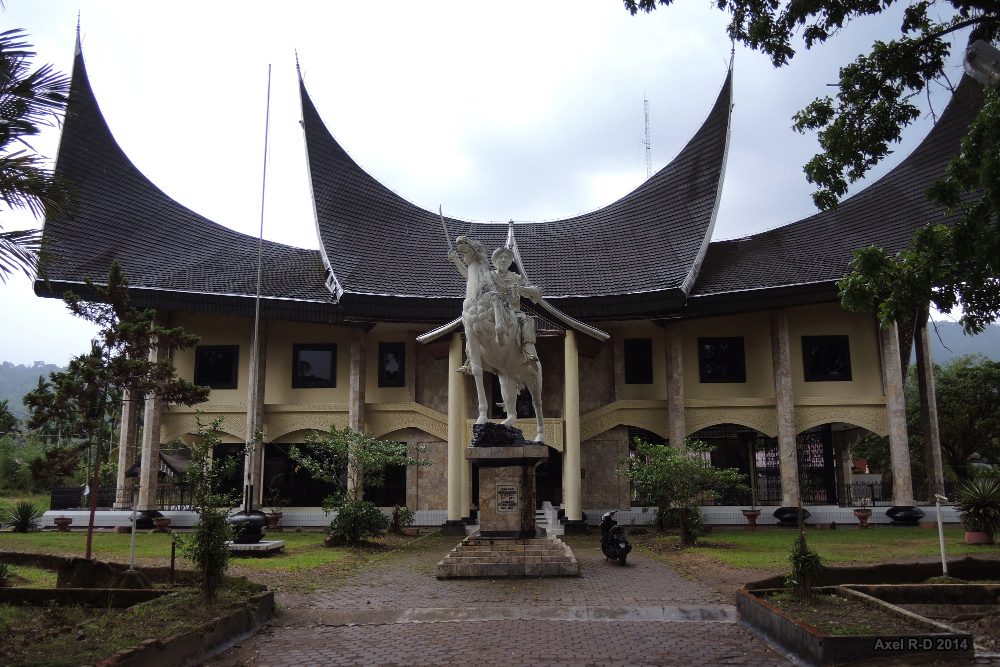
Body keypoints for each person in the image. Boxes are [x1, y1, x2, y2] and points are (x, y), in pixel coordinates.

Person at [489, 246, 541, 364]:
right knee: (474, 321)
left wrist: (521, 290)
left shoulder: (516, 278)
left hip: (513, 311)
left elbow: (530, 292)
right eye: (500, 257)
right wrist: (457, 261)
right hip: (492, 311)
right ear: (495, 260)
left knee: (527, 320)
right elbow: (472, 278)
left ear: (510, 261)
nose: (503, 260)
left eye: (506, 258)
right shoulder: (489, 276)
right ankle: (471, 357)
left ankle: (528, 351)